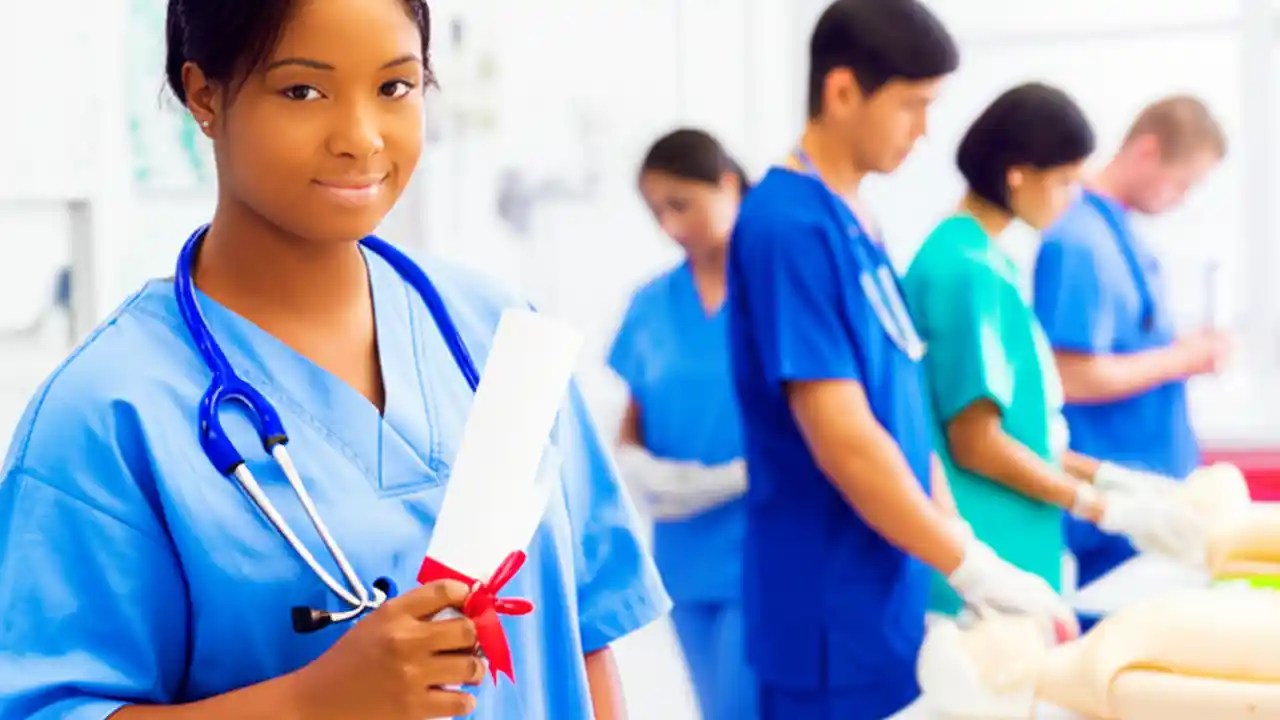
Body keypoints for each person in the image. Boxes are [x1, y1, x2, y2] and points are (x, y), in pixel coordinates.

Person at [0, 0, 670, 718]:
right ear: (204, 95)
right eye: (302, 92)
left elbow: (587, 639)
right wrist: (311, 702)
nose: (361, 138)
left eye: (395, 87)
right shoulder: (108, 413)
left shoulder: (498, 338)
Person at [727, 3, 1078, 718]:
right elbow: (846, 440)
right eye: (913, 105)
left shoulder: (861, 222)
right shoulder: (787, 226)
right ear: (843, 91)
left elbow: (906, 418)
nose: (924, 132)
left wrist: (965, 549)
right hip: (825, 614)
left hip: (885, 598)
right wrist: (968, 563)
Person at [902, 84, 1206, 619]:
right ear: (1018, 174)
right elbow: (976, 442)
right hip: (986, 552)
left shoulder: (988, 261)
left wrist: (1111, 479)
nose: (1072, 199)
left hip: (1017, 543)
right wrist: (1093, 504)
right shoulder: (964, 269)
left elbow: (1027, 433)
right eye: (1064, 181)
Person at [1033, 96, 1230, 588]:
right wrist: (1180, 359)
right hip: (1115, 518)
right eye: (1182, 182)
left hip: (1153, 507)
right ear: (1147, 151)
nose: (1181, 199)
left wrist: (1181, 351)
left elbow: (1128, 346)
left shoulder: (1117, 232)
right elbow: (1069, 374)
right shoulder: (1077, 239)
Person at [609, 129, 757, 720]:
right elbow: (631, 424)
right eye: (656, 212)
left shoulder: (774, 293)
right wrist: (640, 471)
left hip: (760, 546)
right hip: (684, 554)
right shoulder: (649, 304)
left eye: (681, 205)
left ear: (727, 184)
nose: (670, 227)